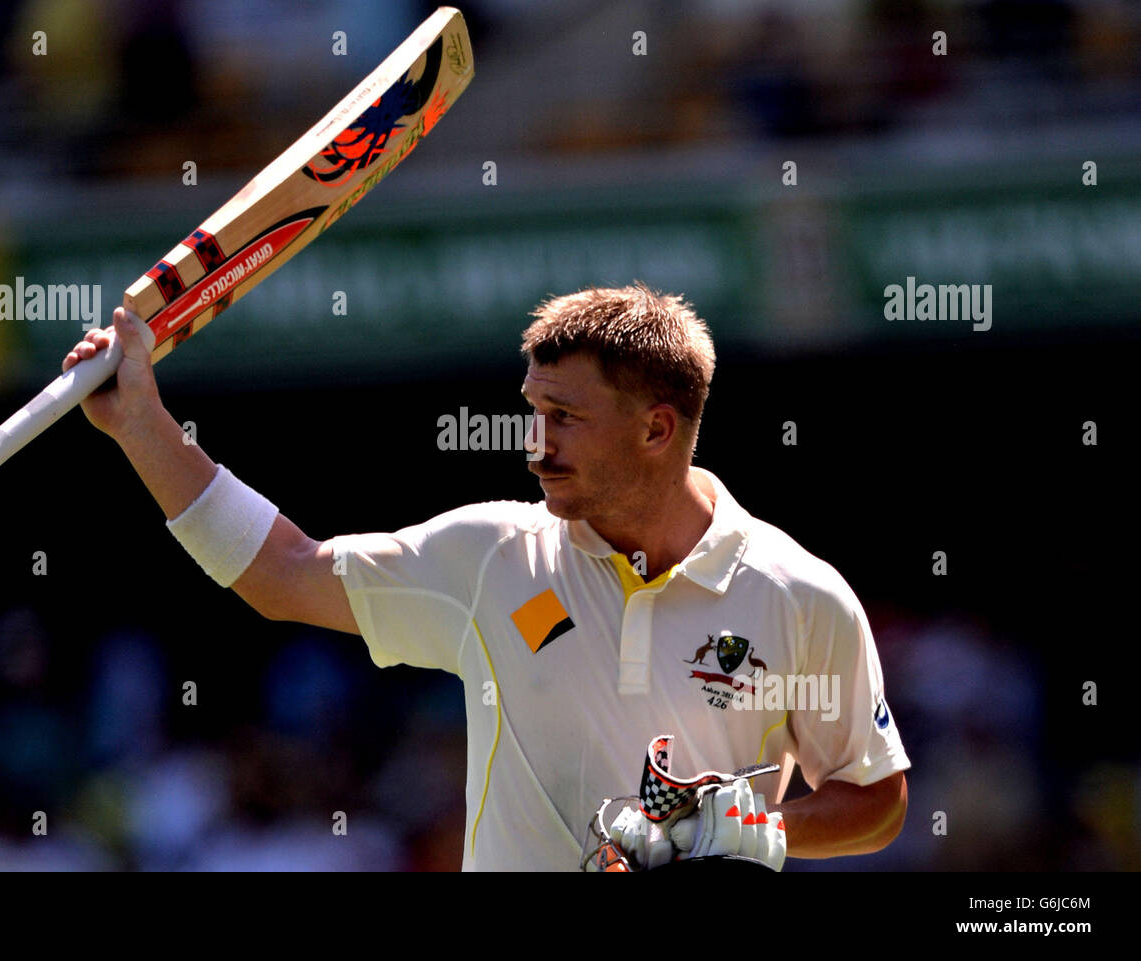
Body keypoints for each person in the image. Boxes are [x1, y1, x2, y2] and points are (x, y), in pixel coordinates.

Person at [63, 282, 910, 871]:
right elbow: (283, 573)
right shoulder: (491, 555)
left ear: (657, 429)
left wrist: (746, 828)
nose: (536, 444)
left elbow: (876, 800)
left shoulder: (802, 594)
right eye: (532, 412)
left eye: (565, 419)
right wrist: (141, 424)